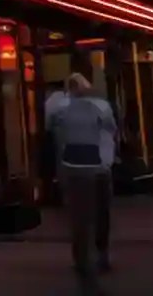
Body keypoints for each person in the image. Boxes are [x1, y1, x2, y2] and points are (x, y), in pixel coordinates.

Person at [48, 72, 117, 277]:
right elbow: (110, 131)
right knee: (100, 212)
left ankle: (81, 257)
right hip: (99, 166)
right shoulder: (101, 106)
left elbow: (52, 129)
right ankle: (101, 253)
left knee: (79, 216)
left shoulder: (60, 107)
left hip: (73, 167)